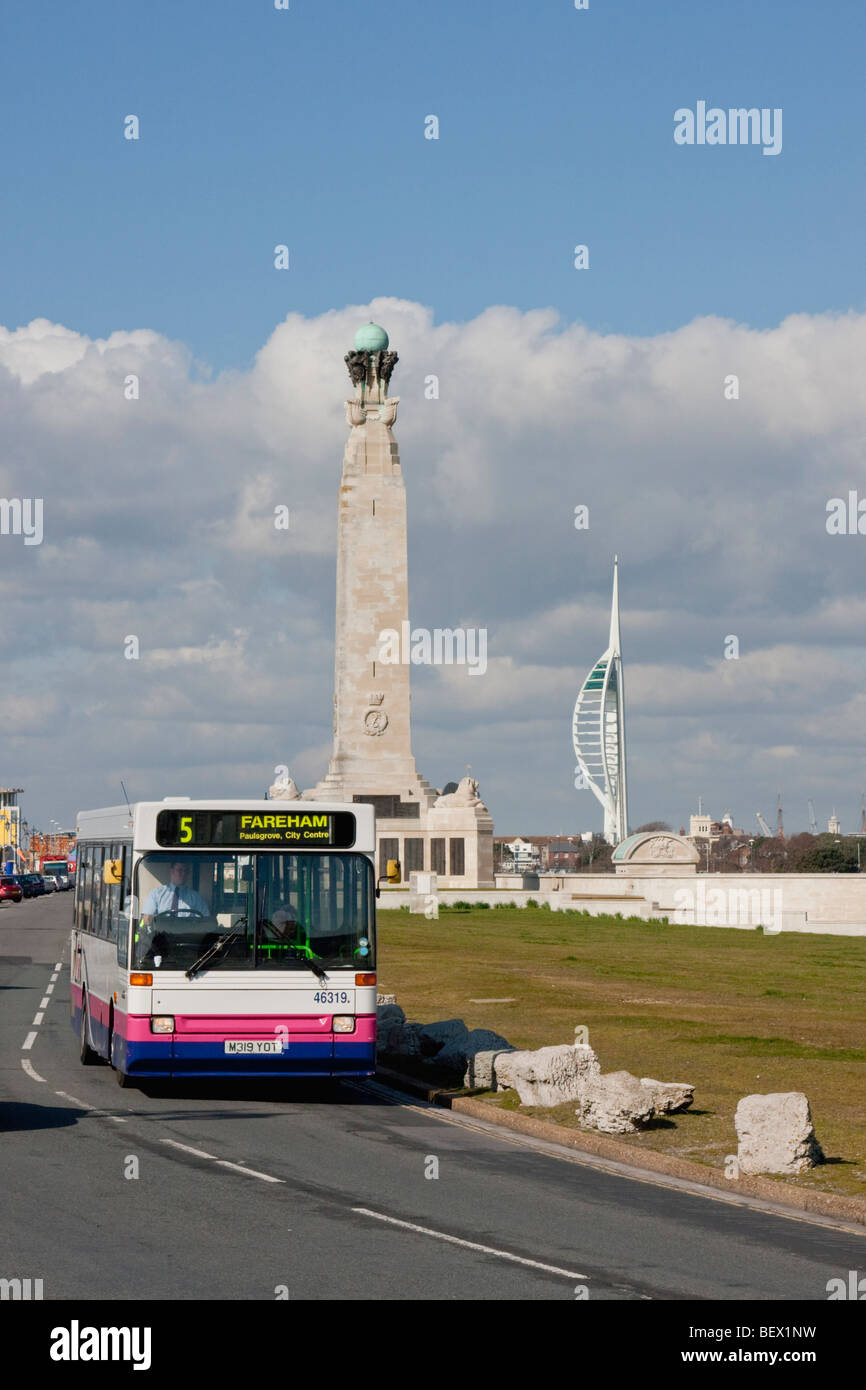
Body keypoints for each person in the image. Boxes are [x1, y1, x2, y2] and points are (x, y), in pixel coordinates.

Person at [141, 861, 210, 924]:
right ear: (172, 871)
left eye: (186, 871)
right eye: (180, 870)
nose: (183, 874)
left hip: (187, 936)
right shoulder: (156, 894)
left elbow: (206, 920)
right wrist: (161, 919)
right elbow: (146, 919)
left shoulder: (196, 897)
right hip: (161, 935)